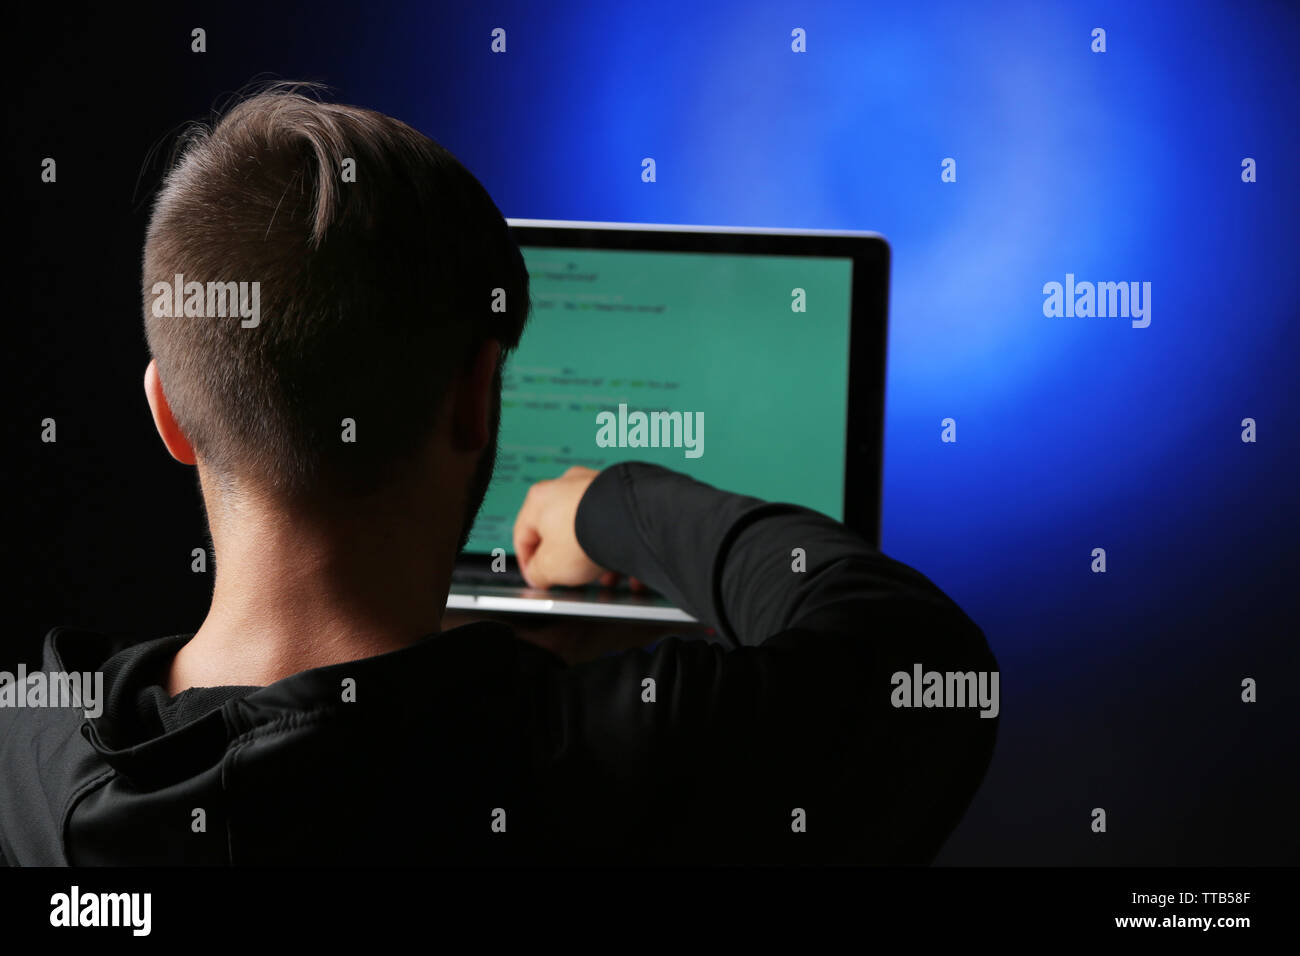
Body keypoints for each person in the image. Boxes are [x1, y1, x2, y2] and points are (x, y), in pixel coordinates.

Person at [0, 86, 996, 865]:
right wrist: (614, 504)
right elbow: (918, 654)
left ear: (168, 411)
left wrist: (476, 666)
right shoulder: (622, 764)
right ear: (477, 395)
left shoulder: (33, 754)